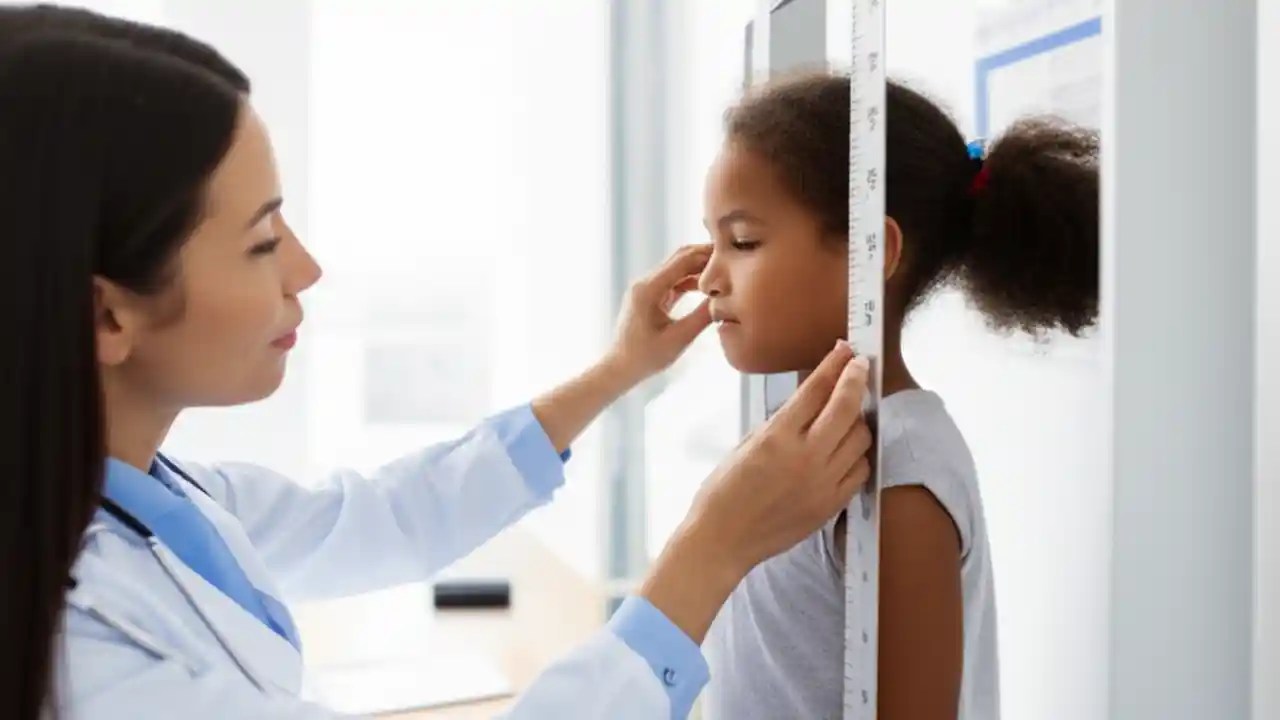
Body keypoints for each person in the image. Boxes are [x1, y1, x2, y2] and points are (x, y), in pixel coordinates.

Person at [0, 21, 874, 720]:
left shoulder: (149, 498)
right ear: (107, 314)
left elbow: (377, 517)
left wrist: (618, 372)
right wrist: (706, 552)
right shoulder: (86, 655)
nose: (305, 270)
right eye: (263, 239)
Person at [698, 72, 1099, 719]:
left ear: (869, 253)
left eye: (743, 242)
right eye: (713, 241)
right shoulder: (793, 445)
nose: (710, 277)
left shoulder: (902, 479)